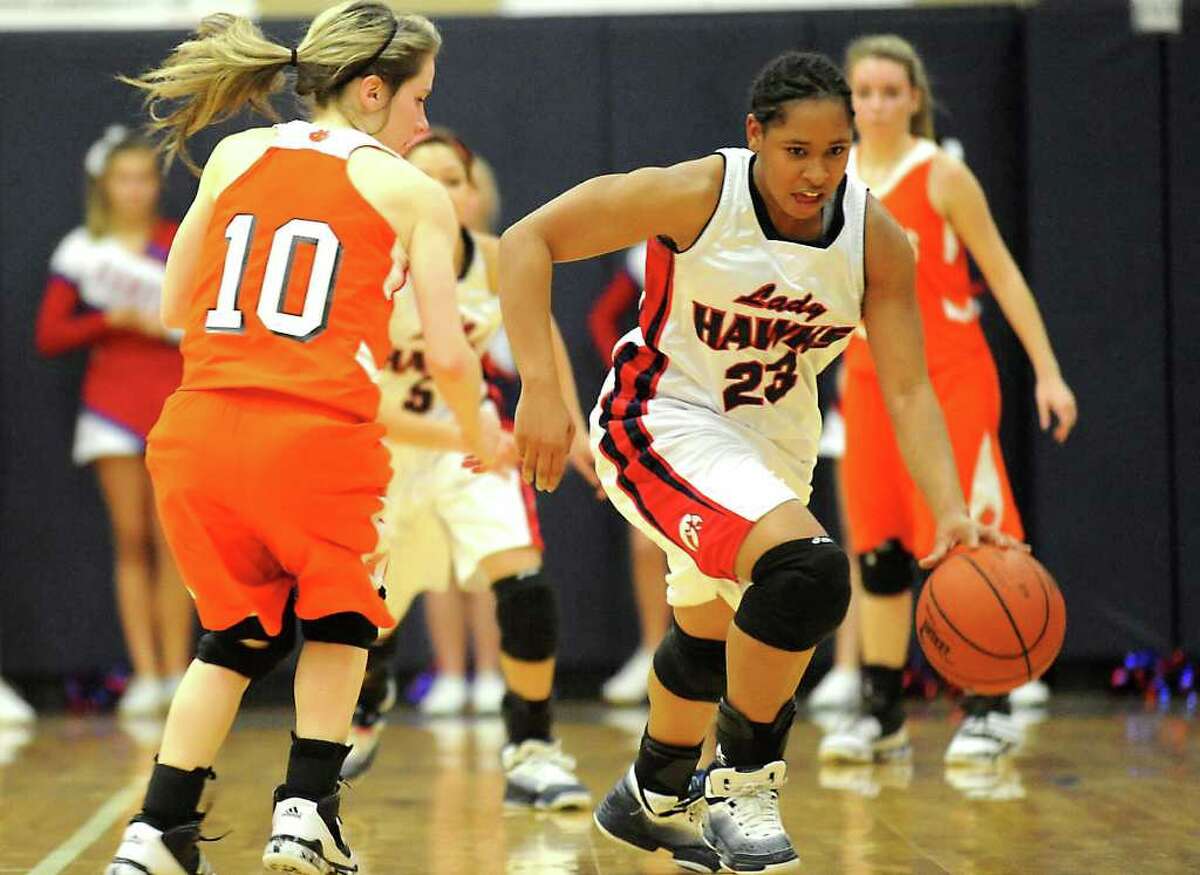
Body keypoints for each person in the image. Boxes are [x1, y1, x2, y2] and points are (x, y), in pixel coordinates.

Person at [498, 49, 1021, 873]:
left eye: (836, 151)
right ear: (756, 137)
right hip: (662, 417)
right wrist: (538, 386)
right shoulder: (700, 194)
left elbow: (911, 389)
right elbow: (526, 240)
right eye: (798, 151)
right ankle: (742, 783)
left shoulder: (878, 240)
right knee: (807, 574)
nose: (818, 172)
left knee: (713, 634)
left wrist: (952, 507)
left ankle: (653, 789)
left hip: (775, 436)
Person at [105, 5, 493, 873]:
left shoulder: (237, 154)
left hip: (198, 435)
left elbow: (175, 308)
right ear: (369, 90)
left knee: (235, 637)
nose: (425, 122)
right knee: (343, 620)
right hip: (312, 438)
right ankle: (306, 811)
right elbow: (449, 354)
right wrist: (482, 439)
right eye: (419, 99)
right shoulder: (409, 189)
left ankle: (158, 831)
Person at [818, 34, 1077, 769]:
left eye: (889, 92)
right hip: (868, 383)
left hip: (952, 378)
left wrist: (1047, 371)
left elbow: (1005, 275)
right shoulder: (833, 179)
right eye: (862, 92)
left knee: (968, 543)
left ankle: (987, 705)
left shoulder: (942, 175)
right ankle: (881, 714)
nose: (874, 105)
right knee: (877, 554)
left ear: (914, 99)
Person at [341, 129, 594, 813]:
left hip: (470, 447)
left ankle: (531, 748)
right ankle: (366, 698)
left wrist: (571, 426)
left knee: (525, 581)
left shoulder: (496, 260)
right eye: (422, 179)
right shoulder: (370, 273)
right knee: (368, 615)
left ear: (475, 192)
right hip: (384, 453)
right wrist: (465, 427)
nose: (440, 193)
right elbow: (358, 402)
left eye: (452, 179)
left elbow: (543, 342)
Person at [35, 126, 192, 717]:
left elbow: (204, 322)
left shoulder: (178, 244)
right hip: (110, 406)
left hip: (172, 401)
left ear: (155, 184)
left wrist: (162, 326)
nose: (135, 189)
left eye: (144, 178)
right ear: (105, 185)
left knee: (173, 540)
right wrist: (114, 320)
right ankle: (147, 674)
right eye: (123, 179)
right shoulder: (82, 251)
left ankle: (179, 672)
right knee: (130, 540)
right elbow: (50, 335)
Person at [586, 243, 672, 705]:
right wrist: (625, 371)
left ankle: (716, 659)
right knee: (646, 538)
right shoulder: (651, 252)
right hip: (656, 405)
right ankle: (653, 650)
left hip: (725, 404)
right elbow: (601, 317)